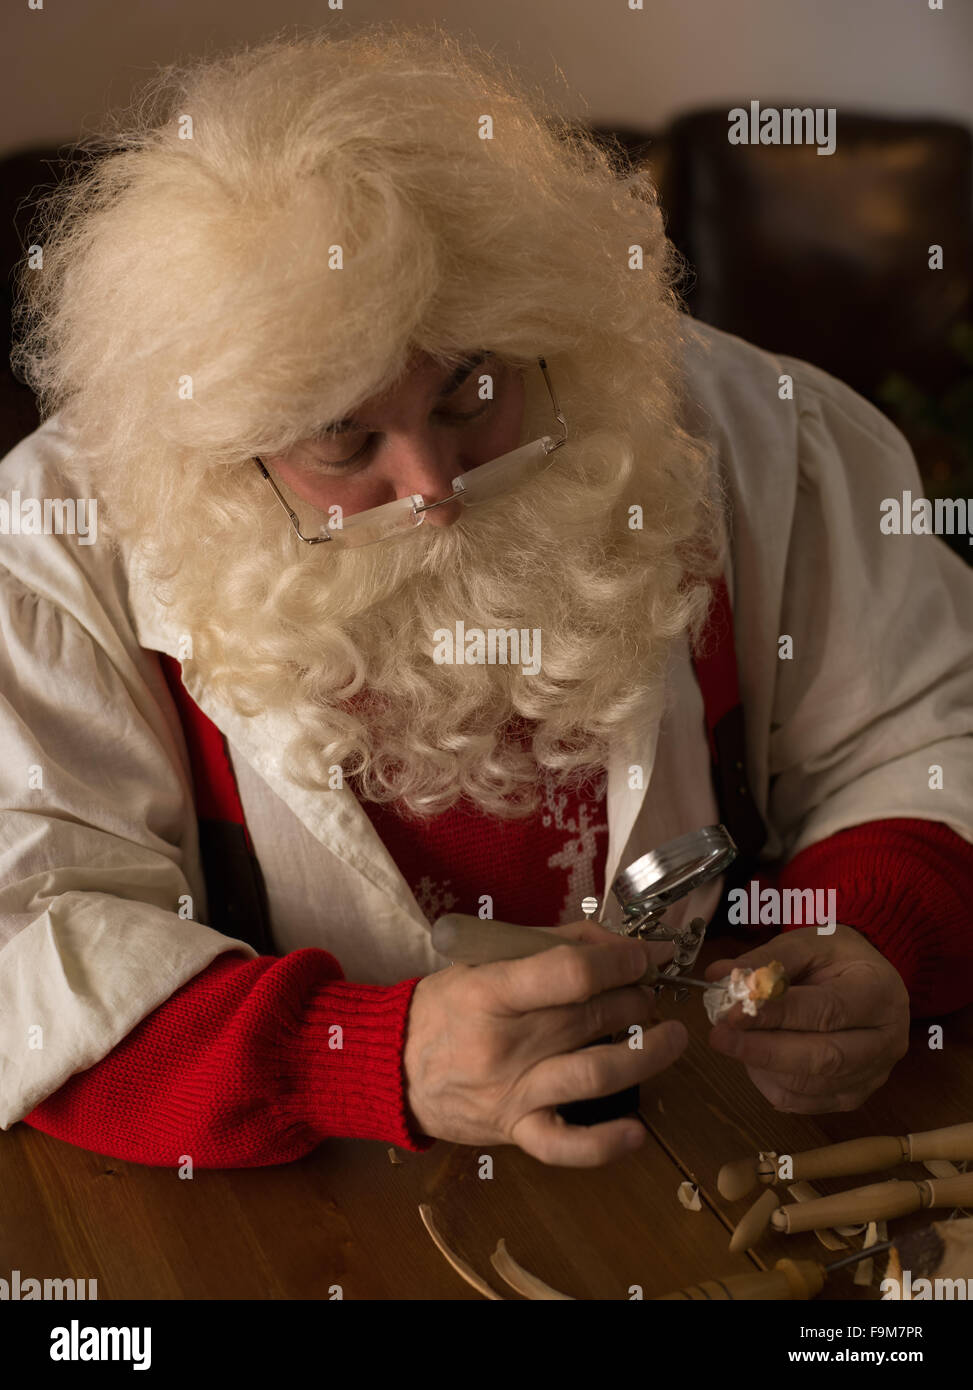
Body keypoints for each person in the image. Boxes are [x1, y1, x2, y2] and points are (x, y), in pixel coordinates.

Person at [1, 26, 971, 1173]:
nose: (432, 490)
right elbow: (34, 951)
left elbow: (923, 738)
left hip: (724, 1138)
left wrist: (872, 928)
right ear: (223, 451)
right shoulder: (54, 542)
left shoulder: (773, 436)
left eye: (471, 388)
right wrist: (361, 1055)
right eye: (342, 437)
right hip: (308, 1194)